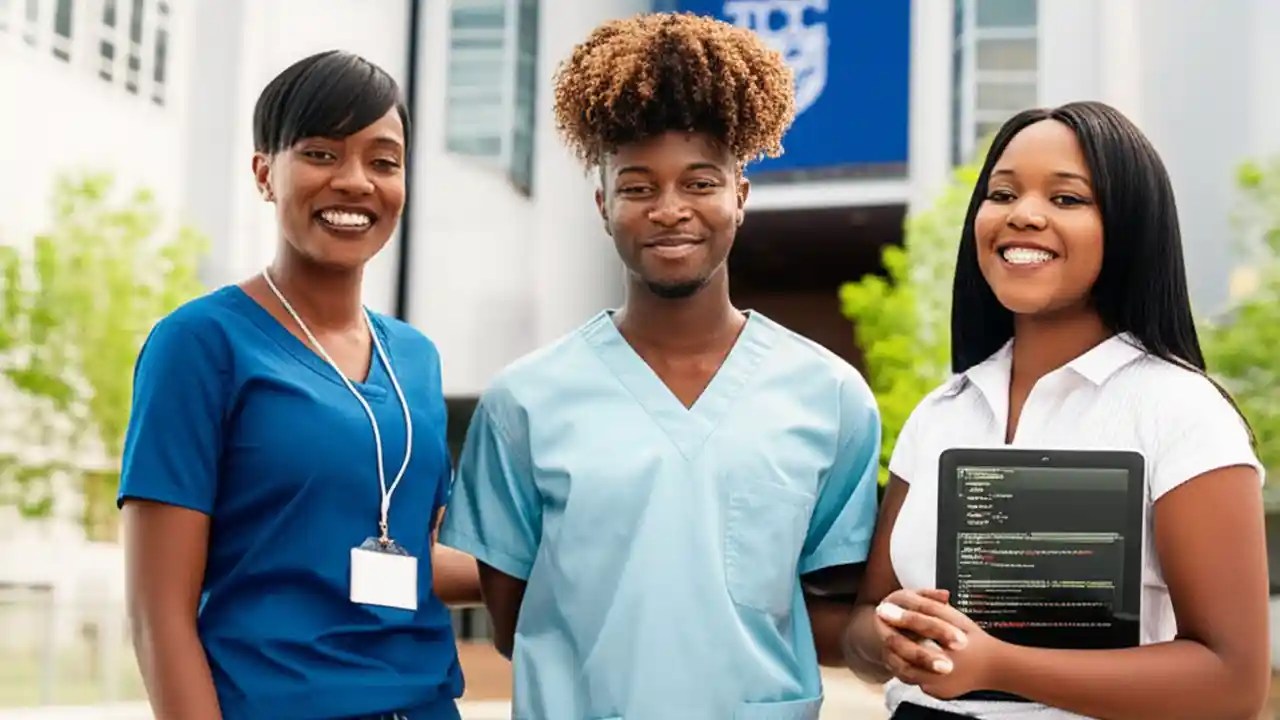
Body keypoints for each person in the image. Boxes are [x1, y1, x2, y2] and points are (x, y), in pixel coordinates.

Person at [437, 11, 882, 720]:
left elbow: (828, 610)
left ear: (741, 192)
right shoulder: (524, 401)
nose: (670, 210)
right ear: (602, 204)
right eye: (638, 187)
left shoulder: (830, 397)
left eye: (700, 182)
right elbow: (515, 621)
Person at [841, 101, 1270, 720]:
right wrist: (890, 639)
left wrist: (996, 663)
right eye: (1002, 193)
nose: (1024, 215)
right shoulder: (941, 412)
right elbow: (864, 623)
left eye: (1067, 199)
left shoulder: (1180, 411)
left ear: (1127, 227)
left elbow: (1233, 684)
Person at [118, 50, 480, 720]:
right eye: (320, 153)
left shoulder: (416, 359)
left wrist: (554, 560)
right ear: (265, 173)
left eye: (383, 161)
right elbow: (157, 614)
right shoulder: (200, 344)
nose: (355, 182)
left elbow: (414, 555)